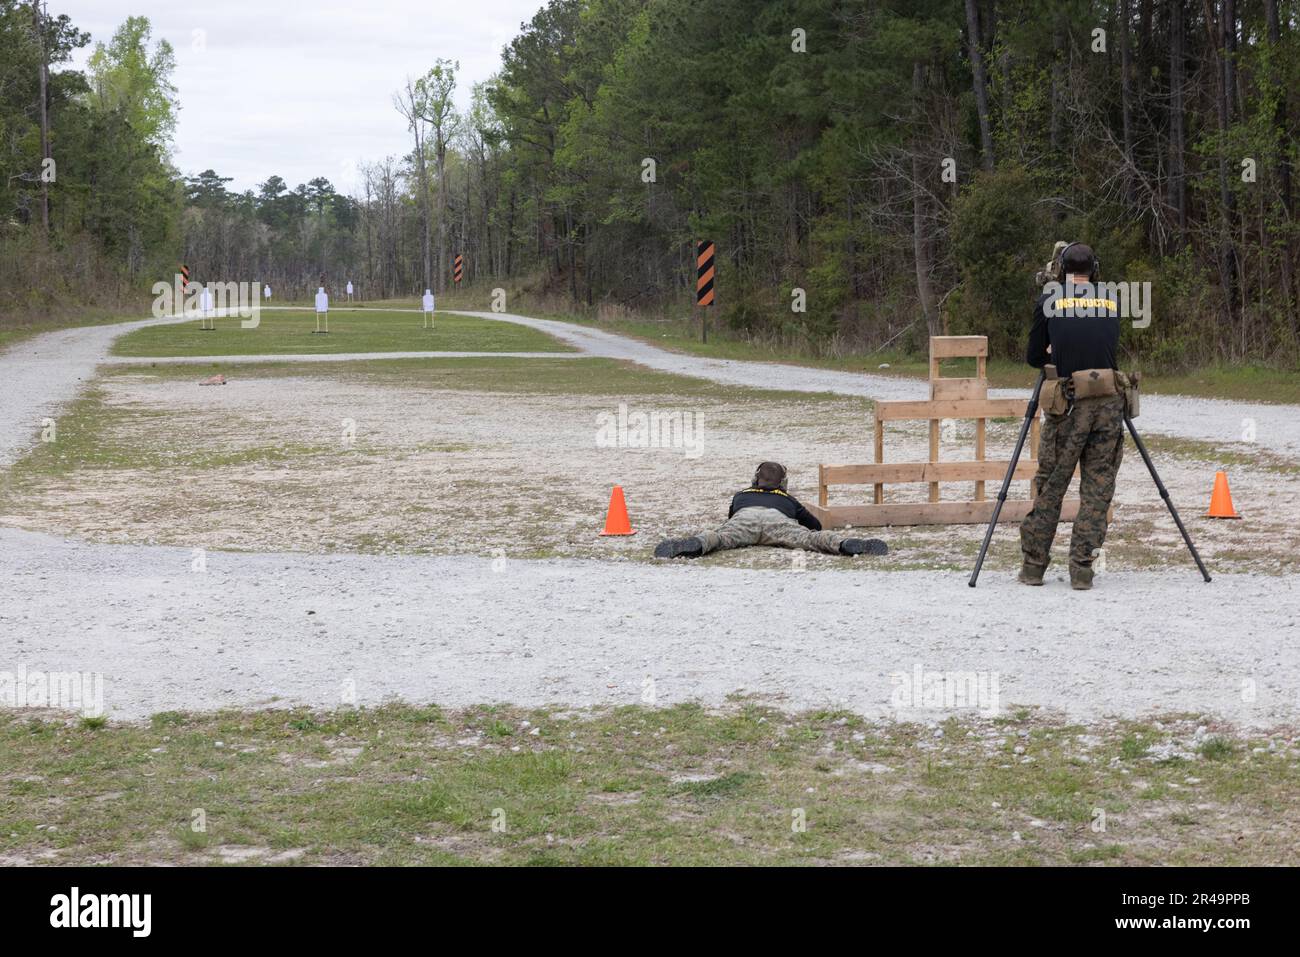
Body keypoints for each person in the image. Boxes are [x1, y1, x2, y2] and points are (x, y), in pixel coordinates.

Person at [1019, 242, 1126, 590]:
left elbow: (1035, 356)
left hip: (1068, 403)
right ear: (1094, 269)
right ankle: (1082, 569)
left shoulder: (1050, 299)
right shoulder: (1112, 298)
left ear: (1062, 269)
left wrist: (1054, 344)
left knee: (1051, 485)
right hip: (1108, 401)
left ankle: (1034, 565)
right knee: (1098, 489)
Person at [654, 462, 888, 559]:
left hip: (745, 519)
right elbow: (814, 525)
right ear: (782, 483)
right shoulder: (787, 498)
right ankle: (844, 545)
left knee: (720, 537)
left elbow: (731, 516)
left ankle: (697, 544)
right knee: (811, 539)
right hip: (778, 522)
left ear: (755, 480)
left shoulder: (741, 495)